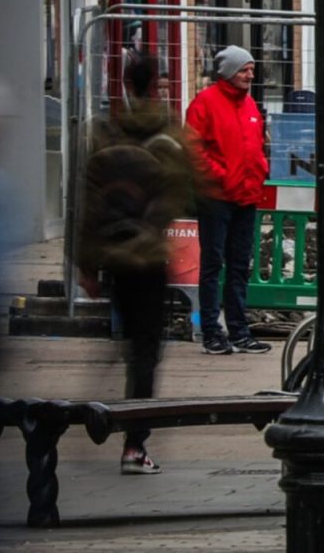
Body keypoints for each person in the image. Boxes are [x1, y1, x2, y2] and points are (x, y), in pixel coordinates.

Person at [79, 52, 194, 474]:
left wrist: (86, 264)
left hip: (114, 258)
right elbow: (183, 194)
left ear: (126, 85)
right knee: (145, 354)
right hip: (148, 258)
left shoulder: (106, 134)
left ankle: (102, 412)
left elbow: (88, 204)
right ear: (156, 87)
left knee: (126, 343)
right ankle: (134, 445)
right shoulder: (170, 136)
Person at [184, 46, 270, 355]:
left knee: (238, 265)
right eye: (245, 69)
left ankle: (238, 330)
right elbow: (193, 150)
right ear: (229, 72)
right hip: (217, 197)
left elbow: (256, 146)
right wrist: (223, 177)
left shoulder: (248, 105)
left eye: (251, 69)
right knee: (213, 264)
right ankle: (212, 331)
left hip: (245, 195)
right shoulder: (205, 104)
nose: (251, 74)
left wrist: (257, 173)